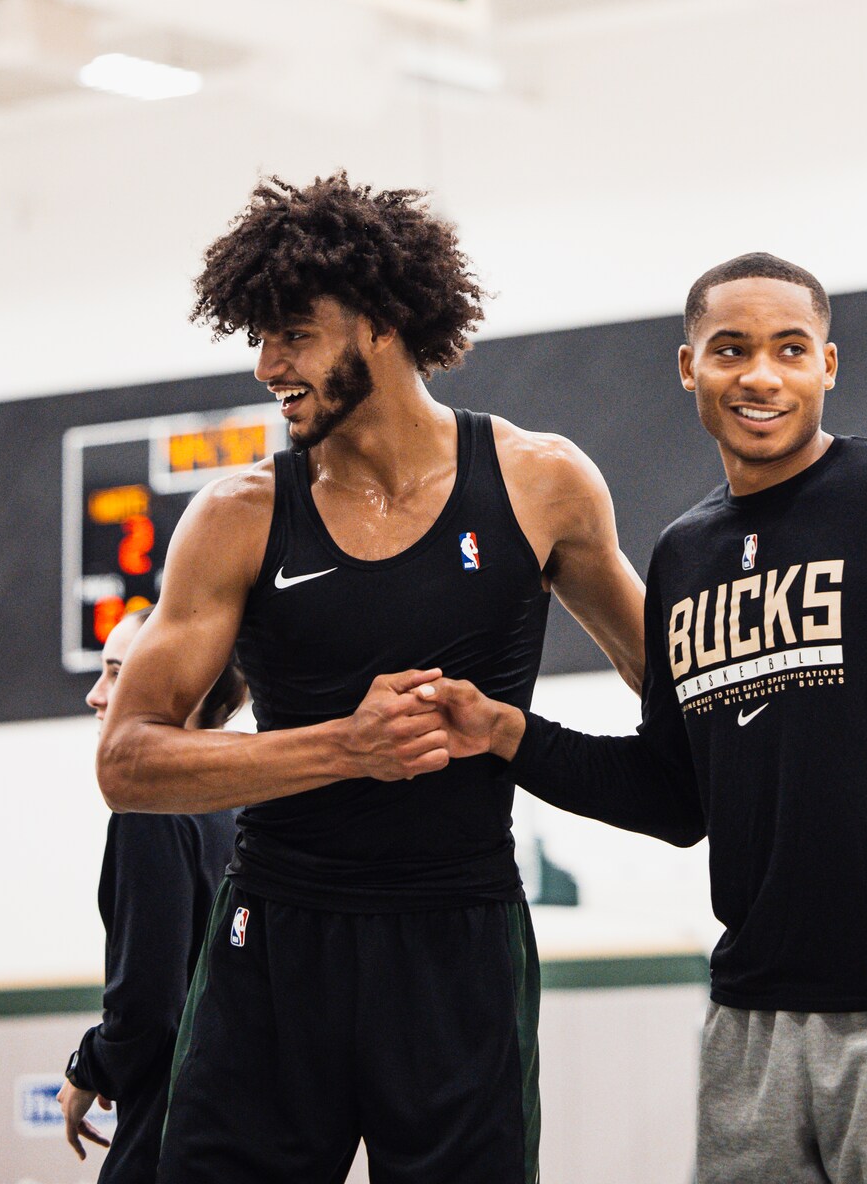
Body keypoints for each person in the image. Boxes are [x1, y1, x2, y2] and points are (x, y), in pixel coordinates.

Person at [427, 251, 867, 1184]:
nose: (761, 375)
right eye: (732, 349)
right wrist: (511, 734)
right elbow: (677, 797)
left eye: (791, 349)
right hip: (751, 1022)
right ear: (690, 367)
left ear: (827, 366)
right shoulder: (683, 556)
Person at [96, 174, 647, 1184]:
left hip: (458, 942)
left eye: (292, 336)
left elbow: (676, 685)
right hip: (274, 940)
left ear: (383, 322)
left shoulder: (540, 482)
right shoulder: (237, 515)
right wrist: (343, 749)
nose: (267, 367)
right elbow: (127, 764)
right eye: (257, 340)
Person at [58, 605, 247, 1177]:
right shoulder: (249, 799)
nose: (96, 695)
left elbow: (149, 1006)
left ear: (180, 683)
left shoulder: (151, 804)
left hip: (177, 1132)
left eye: (117, 672)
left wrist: (86, 1069)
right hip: (253, 1131)